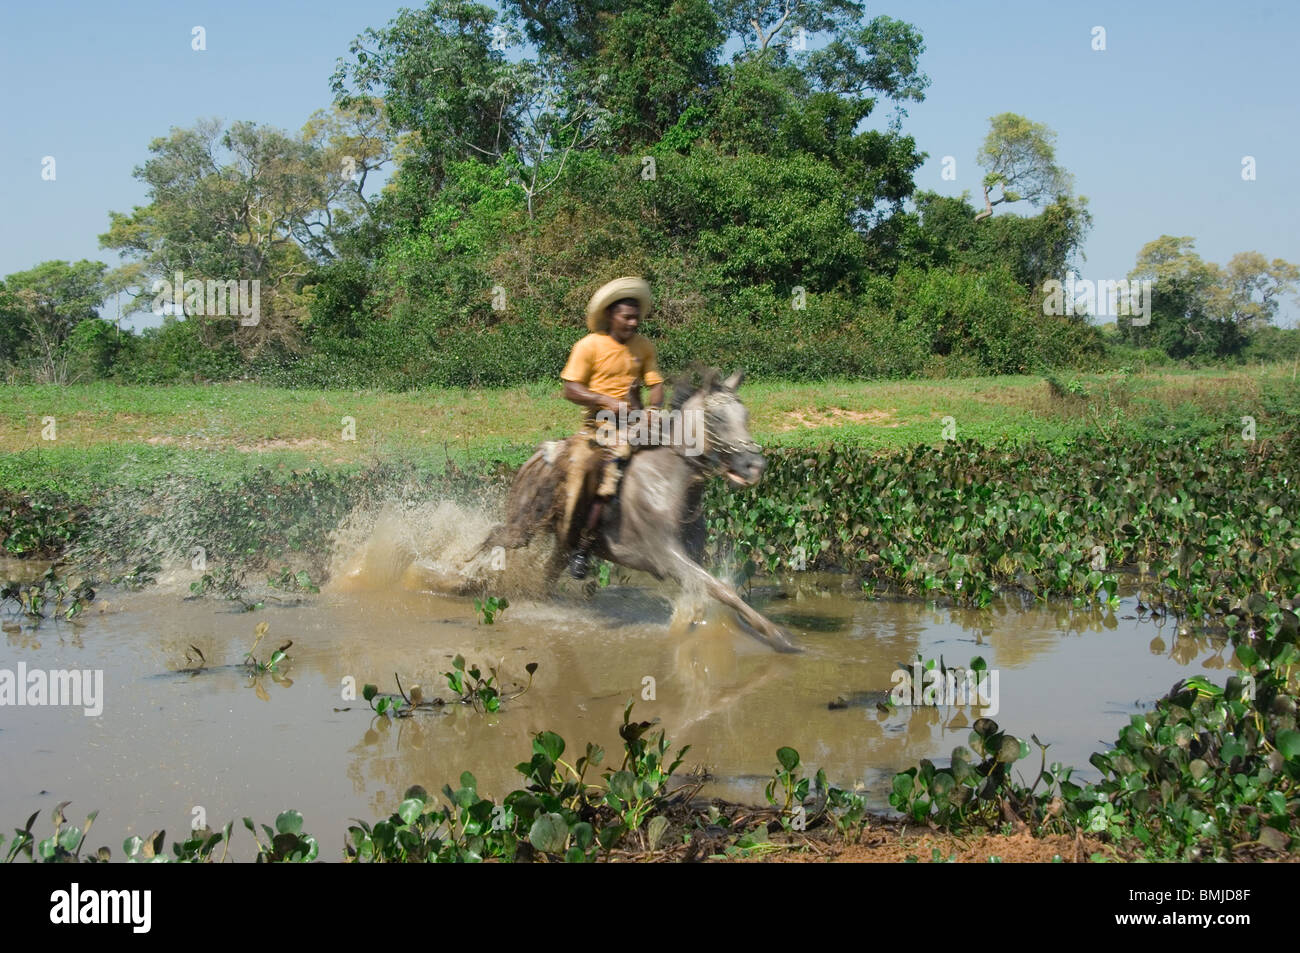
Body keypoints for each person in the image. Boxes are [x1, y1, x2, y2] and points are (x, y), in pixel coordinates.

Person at [559, 277, 665, 579]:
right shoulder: (588, 346)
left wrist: (654, 410)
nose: (633, 323)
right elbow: (570, 389)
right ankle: (580, 546)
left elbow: (655, 384)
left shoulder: (644, 347)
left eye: (636, 318)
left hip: (637, 424)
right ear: (610, 315)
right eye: (627, 317)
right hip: (598, 428)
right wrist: (606, 401)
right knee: (586, 472)